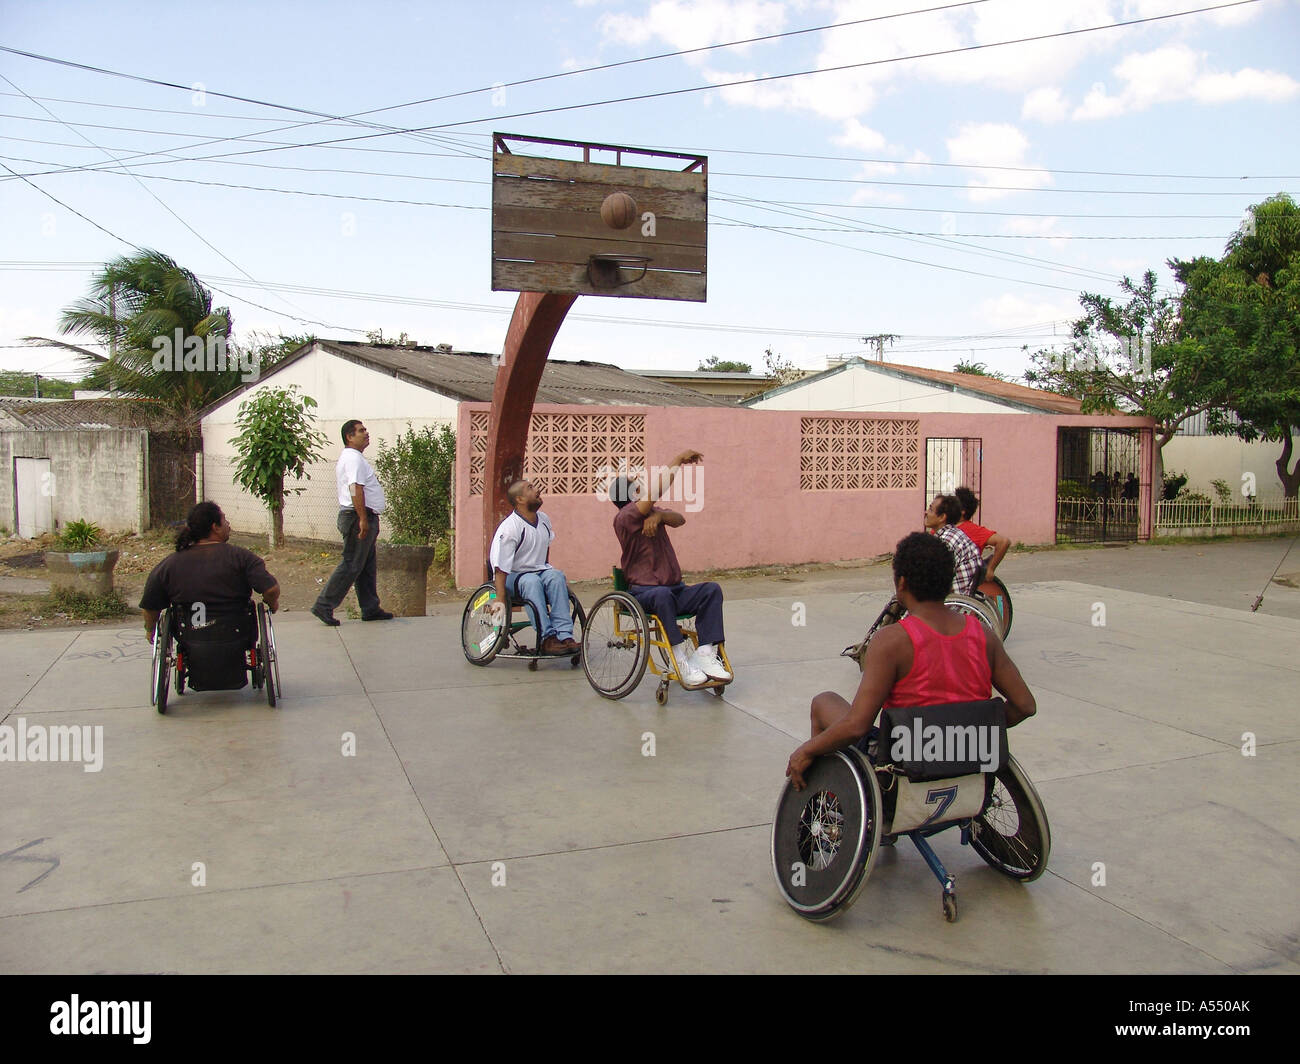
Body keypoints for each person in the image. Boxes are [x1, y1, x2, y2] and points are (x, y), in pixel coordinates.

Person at [786, 532, 1034, 790]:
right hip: (969, 761)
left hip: (904, 768)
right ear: (949, 583)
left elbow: (856, 726)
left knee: (823, 702)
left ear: (901, 583)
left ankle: (827, 802)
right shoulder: (984, 634)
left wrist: (806, 750)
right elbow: (1025, 705)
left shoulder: (892, 641)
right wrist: (963, 736)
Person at [608, 450, 730, 688]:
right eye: (638, 487)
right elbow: (656, 492)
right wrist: (677, 461)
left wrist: (661, 516)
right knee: (662, 595)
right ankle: (679, 657)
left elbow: (679, 519)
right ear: (631, 495)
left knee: (711, 590)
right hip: (645, 594)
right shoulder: (624, 518)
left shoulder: (654, 512)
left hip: (675, 591)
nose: (643, 488)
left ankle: (705, 654)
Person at [140, 501, 279, 642]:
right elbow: (271, 590)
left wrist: (150, 629)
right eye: (225, 520)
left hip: (191, 637)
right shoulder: (242, 558)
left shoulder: (170, 564)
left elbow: (150, 605)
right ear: (215, 527)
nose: (228, 525)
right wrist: (272, 603)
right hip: (236, 635)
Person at [312, 419, 393, 626]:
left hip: (362, 515)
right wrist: (363, 520)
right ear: (349, 436)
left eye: (365, 430)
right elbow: (355, 488)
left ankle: (370, 607)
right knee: (352, 563)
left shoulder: (354, 458)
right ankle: (324, 604)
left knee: (365, 565)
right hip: (357, 516)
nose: (366, 433)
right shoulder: (353, 458)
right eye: (361, 431)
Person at [487, 479, 578, 654]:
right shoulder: (510, 528)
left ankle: (565, 636)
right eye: (530, 488)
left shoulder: (544, 520)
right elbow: (501, 569)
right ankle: (547, 638)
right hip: (513, 576)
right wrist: (499, 598)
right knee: (531, 582)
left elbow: (545, 552)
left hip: (537, 571)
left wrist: (547, 573)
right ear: (520, 499)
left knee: (556, 576)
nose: (537, 490)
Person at [923, 494, 982, 596]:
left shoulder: (945, 542)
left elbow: (936, 579)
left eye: (931, 509)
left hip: (951, 600)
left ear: (942, 517)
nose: (926, 512)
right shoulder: (954, 533)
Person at [954, 485, 1011, 581]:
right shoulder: (942, 525)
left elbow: (1004, 542)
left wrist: (990, 569)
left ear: (962, 511)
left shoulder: (974, 530)